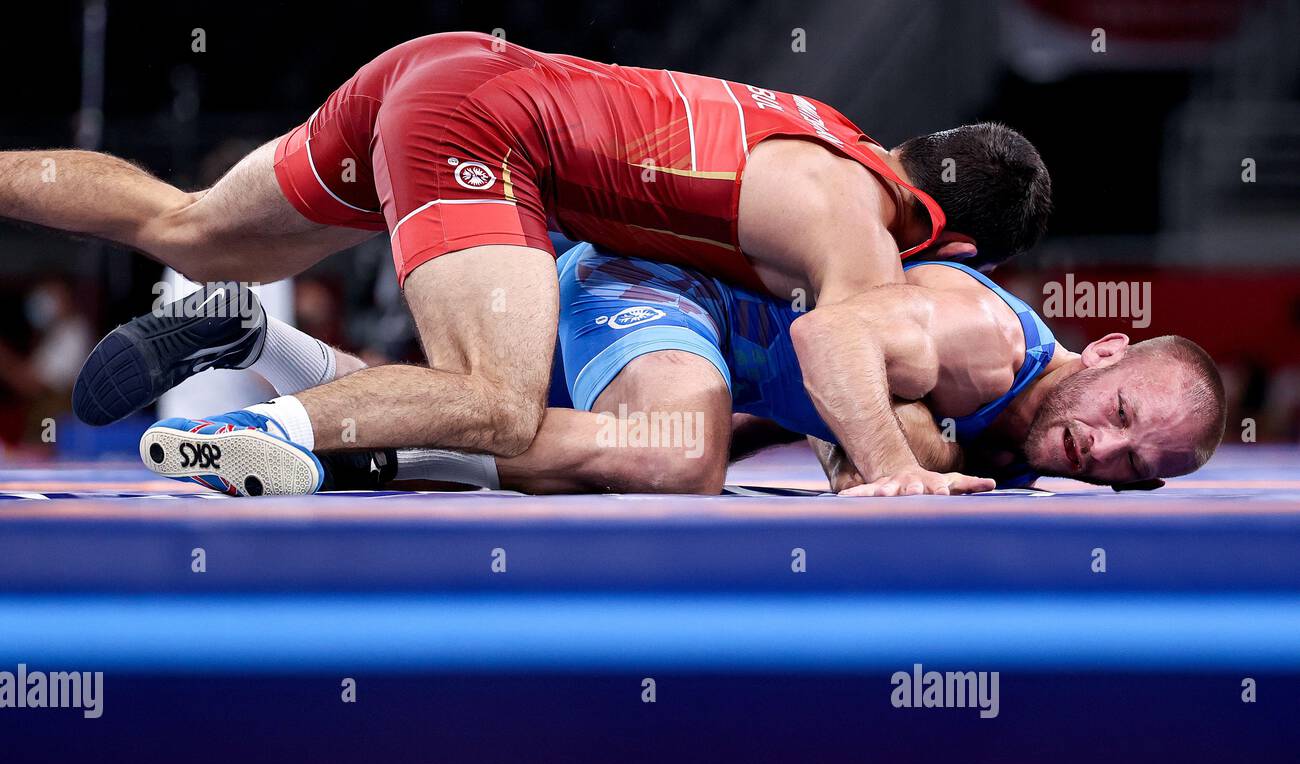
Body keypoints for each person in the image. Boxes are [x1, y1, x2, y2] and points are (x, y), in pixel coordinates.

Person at [1, 32, 1050, 494]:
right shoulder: (861, 225)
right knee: (496, 404)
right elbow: (838, 344)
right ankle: (259, 429)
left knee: (187, 225)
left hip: (437, 68)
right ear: (952, 245)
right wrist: (895, 469)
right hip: (484, 130)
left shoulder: (825, 129)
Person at [79, 241, 1225, 496]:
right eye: (1118, 412)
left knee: (533, 437)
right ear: (1105, 349)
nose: (1104, 448)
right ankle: (297, 433)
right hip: (671, 293)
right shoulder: (984, 338)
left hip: (703, 331)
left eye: (1137, 464)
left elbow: (829, 417)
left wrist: (870, 449)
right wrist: (889, 461)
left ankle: (259, 344)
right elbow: (827, 347)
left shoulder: (1022, 423)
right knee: (665, 458)